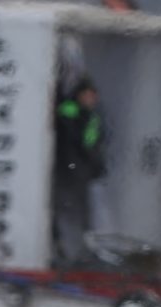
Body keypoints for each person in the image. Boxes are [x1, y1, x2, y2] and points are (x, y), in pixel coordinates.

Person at [52, 76, 107, 265]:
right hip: (68, 170)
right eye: (88, 95)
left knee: (80, 211)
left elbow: (93, 143)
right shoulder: (70, 113)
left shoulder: (91, 117)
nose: (91, 100)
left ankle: (81, 250)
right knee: (65, 209)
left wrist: (96, 165)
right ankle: (65, 248)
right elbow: (77, 142)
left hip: (80, 173)